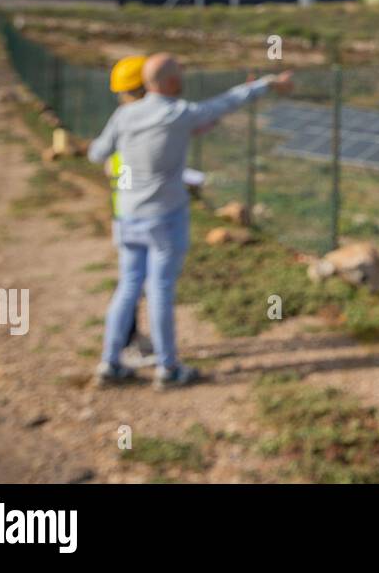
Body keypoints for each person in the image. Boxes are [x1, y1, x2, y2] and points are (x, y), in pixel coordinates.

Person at [87, 53, 293, 389]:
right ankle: (168, 369)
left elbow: (97, 153)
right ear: (169, 82)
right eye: (180, 73)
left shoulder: (124, 116)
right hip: (164, 218)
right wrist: (266, 84)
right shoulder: (178, 113)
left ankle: (109, 364)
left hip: (126, 216)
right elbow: (226, 103)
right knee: (160, 290)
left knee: (127, 288)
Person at [105, 55, 153, 367]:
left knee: (133, 282)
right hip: (142, 214)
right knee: (139, 284)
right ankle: (128, 344)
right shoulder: (139, 123)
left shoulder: (122, 121)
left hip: (124, 214)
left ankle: (124, 345)